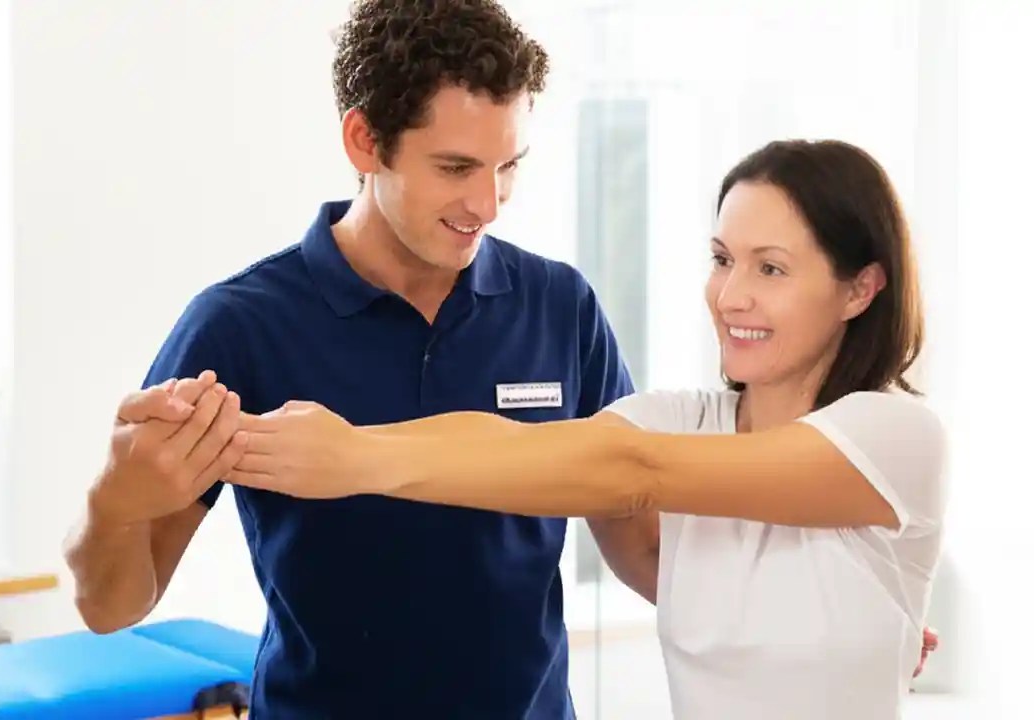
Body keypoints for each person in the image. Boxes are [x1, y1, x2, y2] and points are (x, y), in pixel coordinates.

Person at [222, 139, 949, 719]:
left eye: (772, 269)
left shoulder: (896, 436)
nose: (732, 295)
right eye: (723, 259)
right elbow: (516, 446)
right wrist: (346, 444)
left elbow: (634, 472)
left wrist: (355, 462)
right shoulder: (683, 420)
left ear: (860, 288)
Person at [62, 2, 635, 718]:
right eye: (455, 167)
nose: (488, 204)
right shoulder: (240, 326)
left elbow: (645, 542)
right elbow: (112, 606)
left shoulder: (560, 305)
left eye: (508, 166)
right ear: (365, 140)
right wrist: (113, 502)